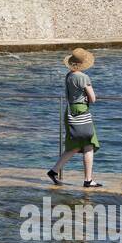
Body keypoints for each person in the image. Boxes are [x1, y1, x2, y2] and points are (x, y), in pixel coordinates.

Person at [49, 47, 102, 188]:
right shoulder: (83, 77)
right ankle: (88, 180)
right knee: (89, 145)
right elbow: (93, 98)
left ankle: (54, 171)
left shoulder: (69, 75)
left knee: (73, 146)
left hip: (70, 111)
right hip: (81, 111)